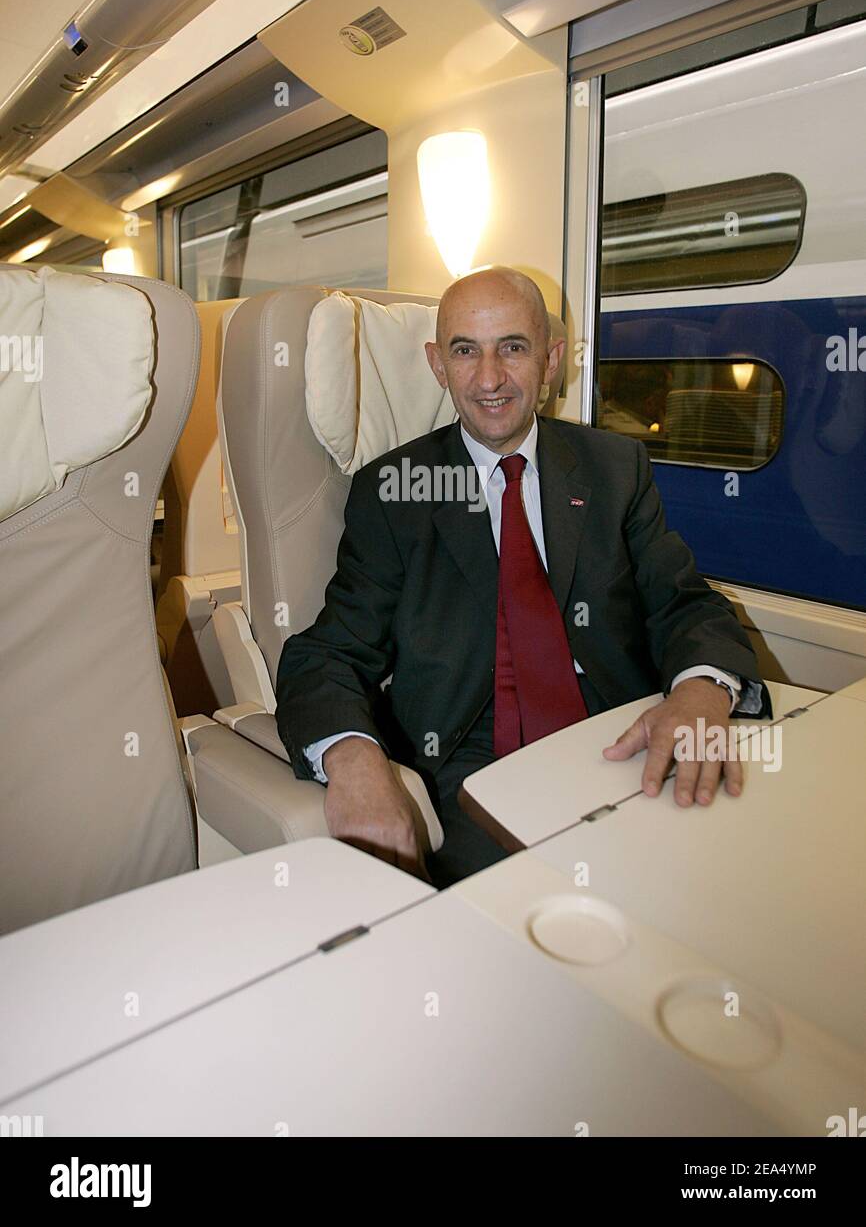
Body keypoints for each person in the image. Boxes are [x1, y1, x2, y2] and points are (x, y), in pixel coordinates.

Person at [276, 266, 769, 887]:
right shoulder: (393, 491)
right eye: (465, 351)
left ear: (551, 359)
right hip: (467, 758)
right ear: (436, 364)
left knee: (731, 872)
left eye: (512, 347)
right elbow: (326, 655)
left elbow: (681, 603)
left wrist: (699, 694)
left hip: (621, 735)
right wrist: (354, 760)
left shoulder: (615, 468)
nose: (489, 379)